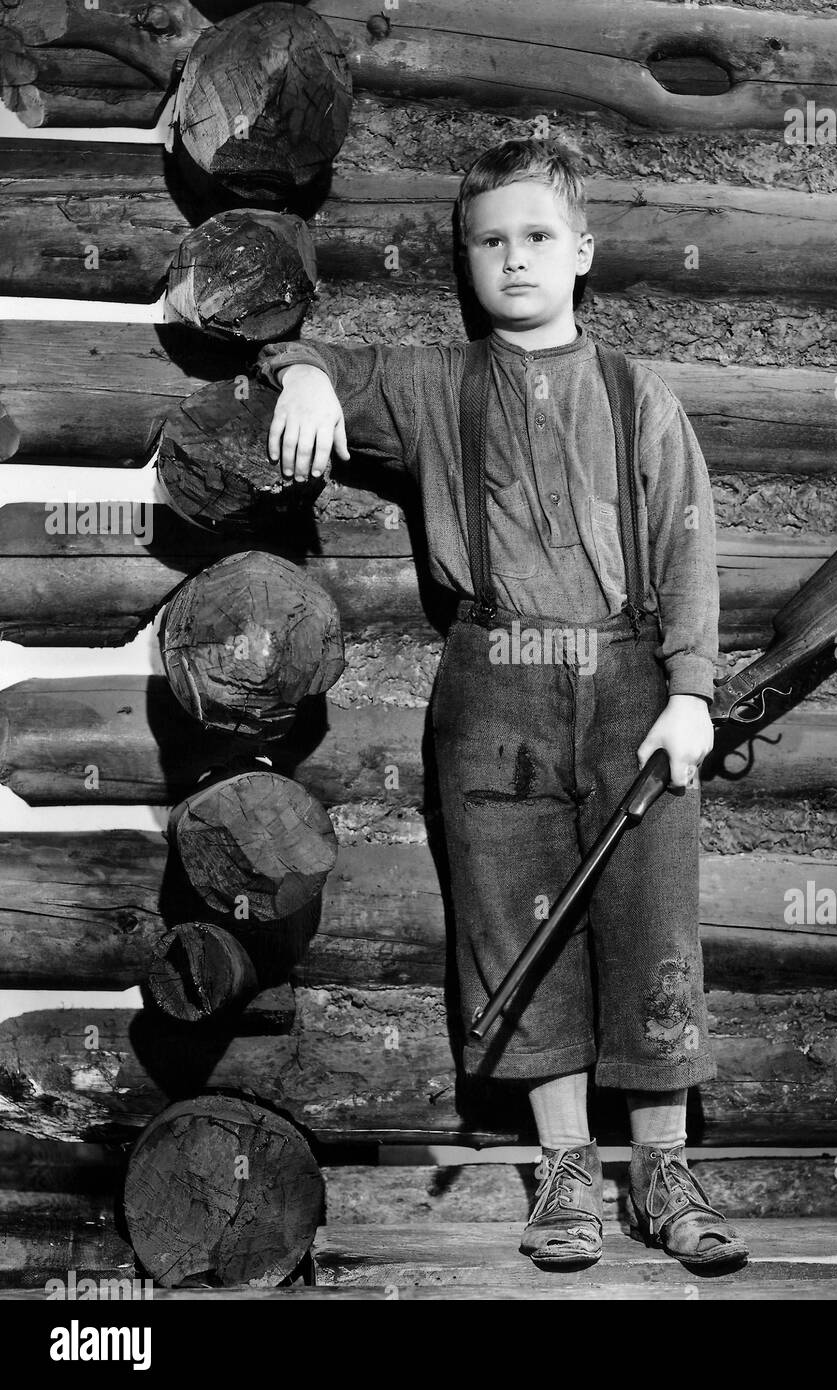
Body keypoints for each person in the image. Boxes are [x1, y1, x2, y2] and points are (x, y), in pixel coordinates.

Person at [257, 137, 748, 1273]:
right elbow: (299, 344)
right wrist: (308, 374)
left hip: (629, 675)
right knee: (518, 917)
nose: (514, 260)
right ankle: (568, 1170)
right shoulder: (435, 385)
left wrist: (689, 693)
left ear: (581, 252)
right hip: (493, 684)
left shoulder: (639, 395)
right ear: (466, 260)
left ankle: (663, 1169)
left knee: (650, 914)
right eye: (490, 242)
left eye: (537, 237)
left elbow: (688, 549)